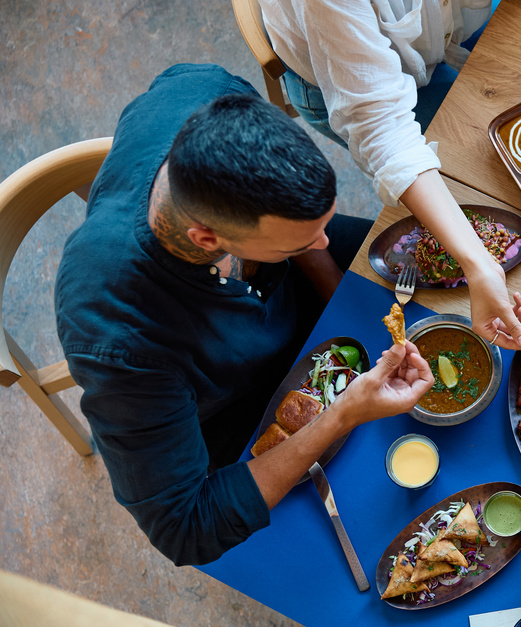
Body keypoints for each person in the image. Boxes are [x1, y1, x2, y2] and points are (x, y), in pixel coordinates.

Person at [55, 64, 434, 566]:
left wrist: (336, 303)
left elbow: (309, 236)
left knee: (427, 266)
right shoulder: (122, 341)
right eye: (302, 241)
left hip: (287, 291)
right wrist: (342, 412)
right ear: (208, 240)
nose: (321, 243)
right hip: (231, 397)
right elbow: (183, 531)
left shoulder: (205, 90)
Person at [258, 0, 521, 350]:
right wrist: (480, 265)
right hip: (351, 86)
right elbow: (384, 131)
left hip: (448, 31)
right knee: (481, 176)